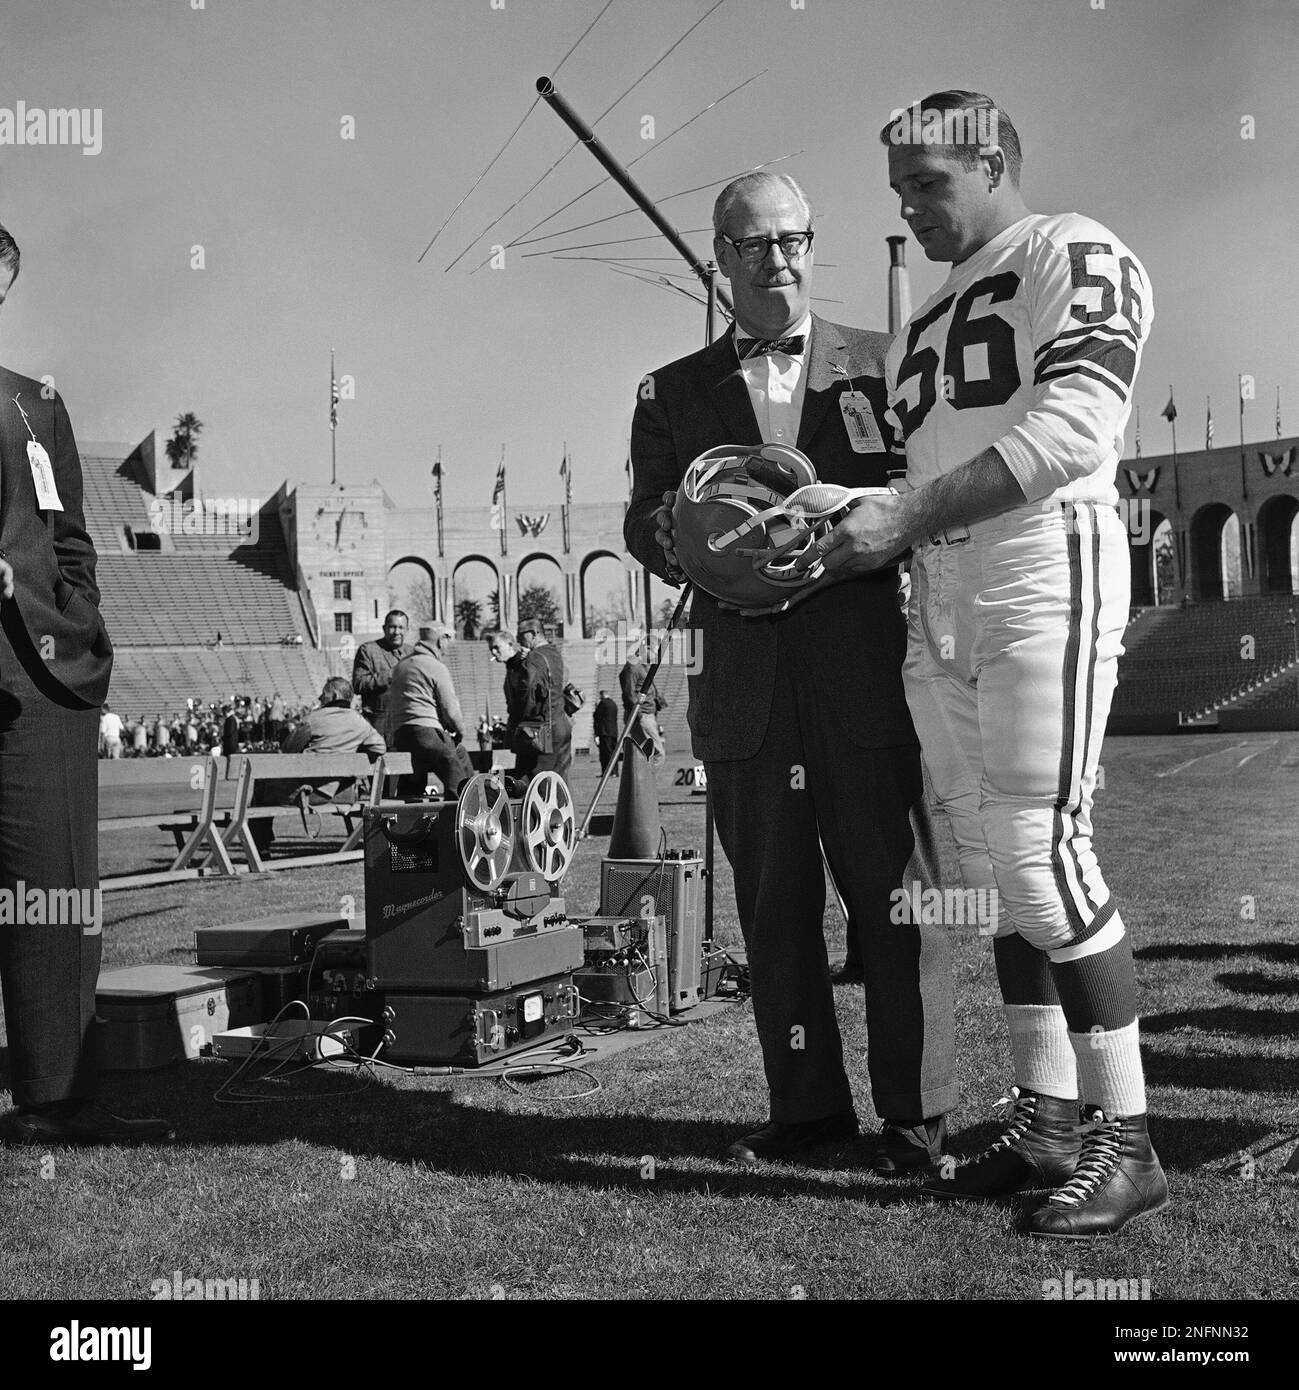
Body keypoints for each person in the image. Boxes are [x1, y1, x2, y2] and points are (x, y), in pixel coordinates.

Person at [812, 91, 1165, 1237]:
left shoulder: (1076, 249)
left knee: (1038, 851)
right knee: (987, 867)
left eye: (927, 182)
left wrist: (905, 512)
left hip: (1039, 562)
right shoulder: (928, 321)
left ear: (996, 157)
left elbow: (1072, 433)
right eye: (899, 188)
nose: (910, 208)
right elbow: (928, 471)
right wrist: (847, 507)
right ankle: (1048, 1121)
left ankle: (1128, 1137)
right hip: (944, 585)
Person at [626, 171, 955, 1171]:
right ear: (720, 260)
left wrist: (840, 516)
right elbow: (646, 520)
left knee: (899, 905)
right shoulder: (670, 390)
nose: (777, 258)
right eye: (754, 243)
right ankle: (808, 1111)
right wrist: (696, 540)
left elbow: (924, 491)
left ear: (813, 245)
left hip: (862, 678)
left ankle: (918, 1116)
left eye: (793, 238)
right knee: (775, 914)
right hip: (745, 689)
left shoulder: (884, 362)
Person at [0, 222, 171, 1146]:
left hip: (33, 676)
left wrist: (43, 604)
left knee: (48, 891)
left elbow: (69, 546)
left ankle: (53, 1090)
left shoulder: (35, 407)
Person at [249, 676, 385, 855]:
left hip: (307, 793)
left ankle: (261, 848)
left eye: (324, 694)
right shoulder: (359, 722)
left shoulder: (313, 719)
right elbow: (379, 747)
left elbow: (288, 750)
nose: (320, 698)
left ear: (334, 695)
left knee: (261, 786)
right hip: (335, 791)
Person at [387, 621, 474, 798]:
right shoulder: (435, 667)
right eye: (448, 641)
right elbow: (450, 709)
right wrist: (460, 730)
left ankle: (411, 816)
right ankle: (464, 812)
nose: (447, 647)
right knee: (457, 770)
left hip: (401, 734)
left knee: (414, 780)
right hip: (425, 732)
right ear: (441, 639)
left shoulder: (401, 667)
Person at [516, 618, 572, 782]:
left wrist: (522, 721)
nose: (518, 640)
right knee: (560, 781)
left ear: (533, 634)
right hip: (561, 723)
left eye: (521, 635)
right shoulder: (554, 653)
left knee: (538, 782)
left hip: (543, 727)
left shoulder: (534, 657)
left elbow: (529, 693)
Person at [352, 609, 412, 740]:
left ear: (407, 630)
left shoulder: (412, 653)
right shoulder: (368, 650)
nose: (397, 632)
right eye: (392, 627)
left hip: (407, 724)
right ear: (384, 628)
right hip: (378, 726)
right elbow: (358, 684)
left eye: (401, 627)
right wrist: (391, 674)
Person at [618, 655, 666, 765]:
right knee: (657, 754)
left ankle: (644, 781)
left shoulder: (641, 667)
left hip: (645, 714)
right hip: (642, 715)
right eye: (652, 650)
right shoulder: (633, 668)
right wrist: (639, 715)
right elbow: (629, 693)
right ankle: (649, 781)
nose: (655, 655)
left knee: (646, 753)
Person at [592, 689, 620, 773]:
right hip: (613, 731)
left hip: (604, 732)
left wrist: (596, 707)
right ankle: (615, 771)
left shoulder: (603, 703)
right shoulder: (613, 703)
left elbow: (597, 716)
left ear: (602, 695)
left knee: (605, 753)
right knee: (613, 752)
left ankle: (607, 772)